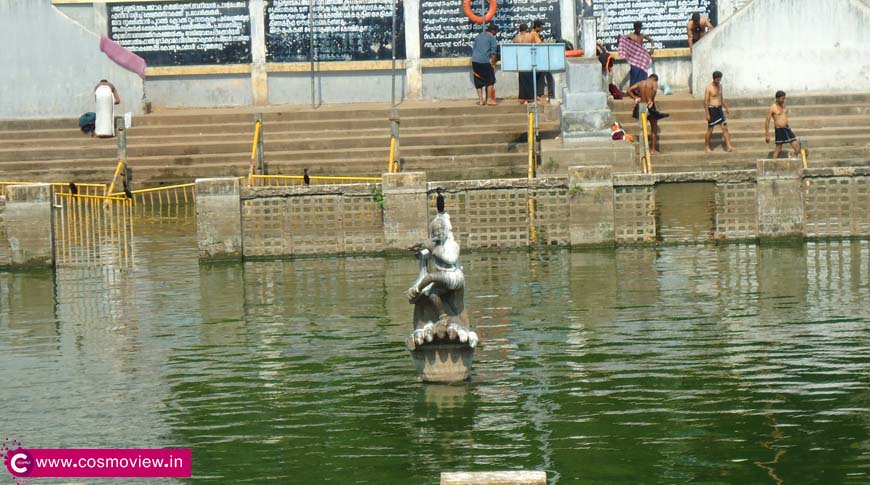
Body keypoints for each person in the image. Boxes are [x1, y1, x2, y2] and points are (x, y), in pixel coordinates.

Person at [627, 74, 668, 154]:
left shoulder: (640, 83)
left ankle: (643, 150)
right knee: (654, 128)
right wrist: (651, 100)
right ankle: (653, 149)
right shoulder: (654, 82)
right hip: (650, 106)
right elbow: (654, 91)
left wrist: (635, 97)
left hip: (641, 105)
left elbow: (629, 90)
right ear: (655, 79)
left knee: (642, 128)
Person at [704, 71, 734, 153]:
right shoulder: (709, 88)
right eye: (717, 80)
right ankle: (707, 146)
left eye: (719, 80)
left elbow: (721, 98)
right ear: (714, 79)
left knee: (725, 128)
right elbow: (706, 101)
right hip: (712, 109)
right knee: (710, 129)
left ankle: (728, 146)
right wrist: (707, 113)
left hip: (719, 109)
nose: (718, 81)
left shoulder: (720, 86)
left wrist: (726, 107)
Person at [765, 90, 800, 158]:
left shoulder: (784, 106)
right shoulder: (772, 108)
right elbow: (767, 121)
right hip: (779, 130)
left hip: (787, 128)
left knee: (796, 146)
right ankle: (773, 164)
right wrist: (767, 134)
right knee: (778, 149)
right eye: (782, 98)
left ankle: (793, 158)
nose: (783, 100)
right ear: (777, 98)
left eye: (784, 98)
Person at [619, 22, 654, 87]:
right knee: (634, 72)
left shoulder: (642, 35)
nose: (638, 29)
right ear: (634, 28)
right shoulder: (630, 35)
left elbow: (651, 40)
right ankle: (633, 90)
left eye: (639, 28)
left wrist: (652, 49)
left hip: (641, 57)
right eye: (637, 28)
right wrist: (619, 38)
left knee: (642, 73)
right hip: (634, 58)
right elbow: (622, 40)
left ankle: (641, 89)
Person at [513, 24, 542, 104]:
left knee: (522, 80)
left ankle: (523, 98)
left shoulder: (516, 38)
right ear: (526, 29)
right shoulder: (530, 36)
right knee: (530, 79)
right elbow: (535, 45)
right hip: (529, 59)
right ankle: (531, 97)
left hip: (521, 60)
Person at [471, 24, 499, 106]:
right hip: (484, 61)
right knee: (491, 80)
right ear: (493, 31)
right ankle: (489, 100)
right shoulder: (492, 38)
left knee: (478, 80)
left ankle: (481, 100)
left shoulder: (478, 36)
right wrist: (493, 64)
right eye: (496, 32)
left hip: (475, 61)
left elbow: (474, 49)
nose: (496, 33)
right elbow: (493, 53)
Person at [533, 20, 554, 102]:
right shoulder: (534, 33)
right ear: (537, 26)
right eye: (541, 26)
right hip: (537, 59)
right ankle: (539, 94)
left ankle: (539, 94)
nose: (542, 28)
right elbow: (539, 44)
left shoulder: (534, 33)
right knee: (542, 76)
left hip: (537, 58)